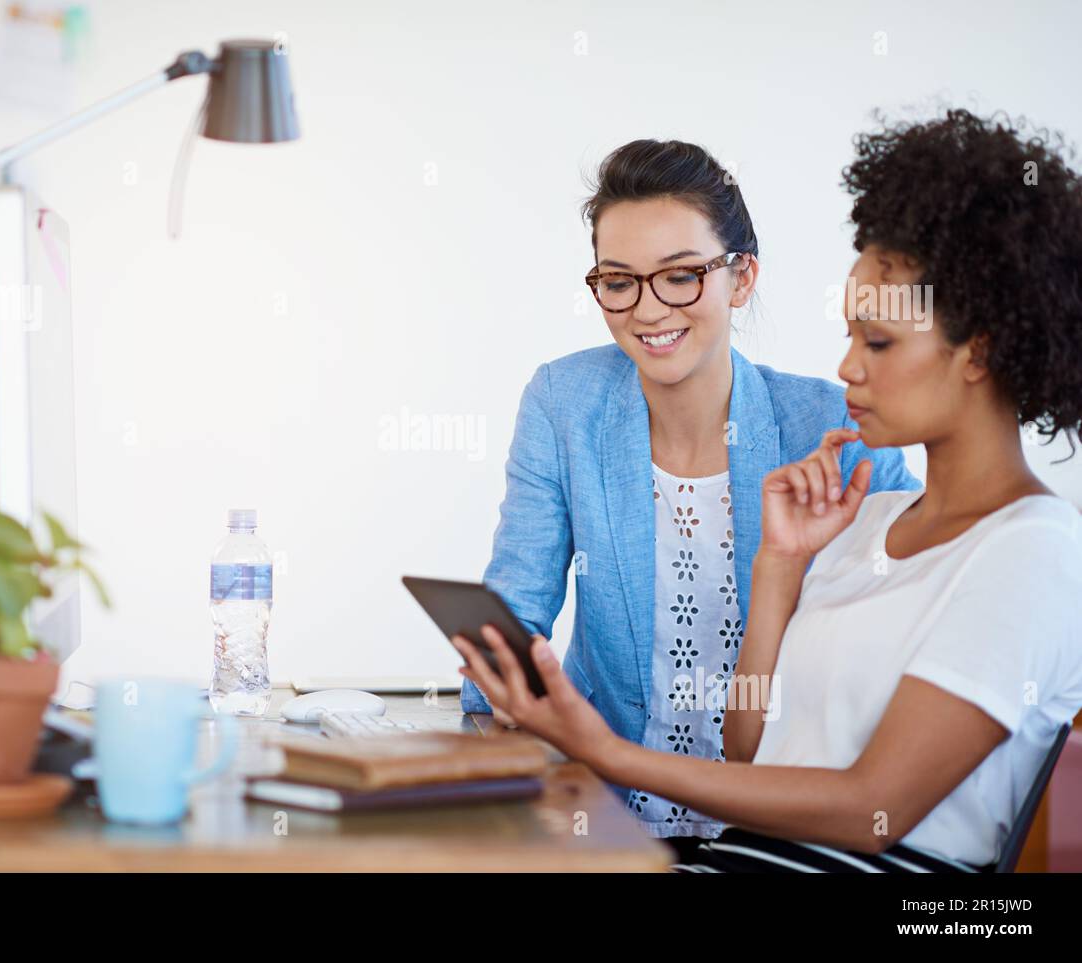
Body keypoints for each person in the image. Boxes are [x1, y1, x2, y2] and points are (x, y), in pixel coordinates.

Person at [454, 109, 1082, 872]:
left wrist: (603, 752)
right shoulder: (866, 518)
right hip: (703, 844)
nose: (848, 367)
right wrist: (778, 568)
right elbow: (749, 744)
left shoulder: (1022, 544)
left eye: (876, 342)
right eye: (619, 281)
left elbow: (873, 807)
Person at [460, 138, 919, 842]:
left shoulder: (834, 425)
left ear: (742, 278)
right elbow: (513, 614)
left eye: (680, 276)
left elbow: (903, 636)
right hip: (610, 821)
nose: (647, 310)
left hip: (786, 829)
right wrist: (508, 700)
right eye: (619, 280)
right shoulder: (565, 402)